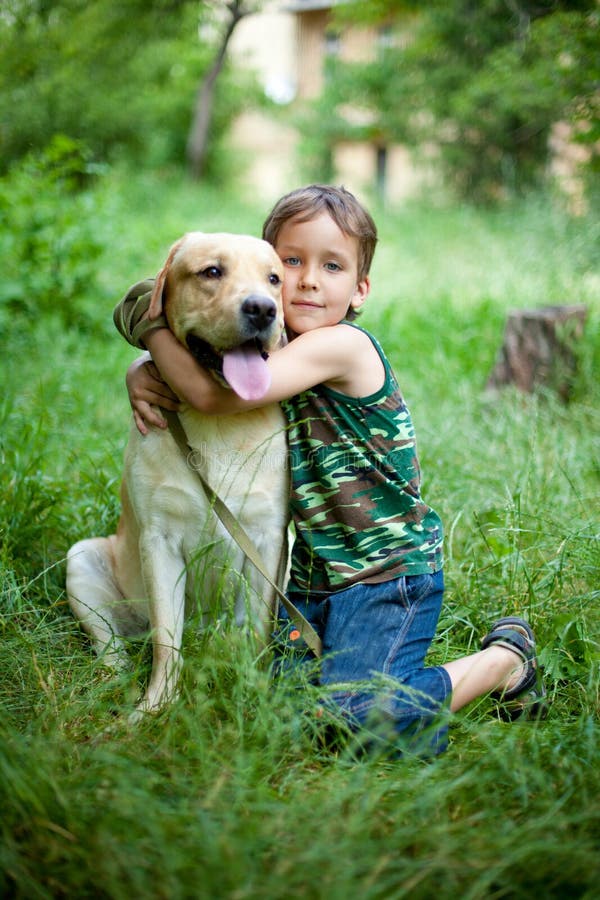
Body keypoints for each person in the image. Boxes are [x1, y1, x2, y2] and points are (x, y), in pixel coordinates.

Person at [118, 184, 546, 755]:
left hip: (385, 574)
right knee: (289, 715)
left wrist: (146, 340)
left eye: (332, 266)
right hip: (314, 576)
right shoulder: (269, 338)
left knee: (361, 721)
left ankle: (502, 662)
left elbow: (213, 397)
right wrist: (143, 359)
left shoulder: (342, 346)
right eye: (287, 265)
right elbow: (178, 312)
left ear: (361, 289)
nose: (307, 281)